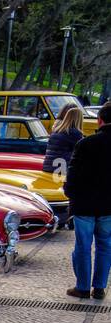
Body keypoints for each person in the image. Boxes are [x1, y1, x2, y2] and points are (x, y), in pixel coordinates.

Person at [63, 101, 111, 299]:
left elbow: (73, 174)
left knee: (83, 245)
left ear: (100, 120)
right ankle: (99, 287)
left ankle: (82, 287)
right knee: (105, 245)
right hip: (109, 205)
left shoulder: (85, 144)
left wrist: (69, 192)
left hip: (84, 203)